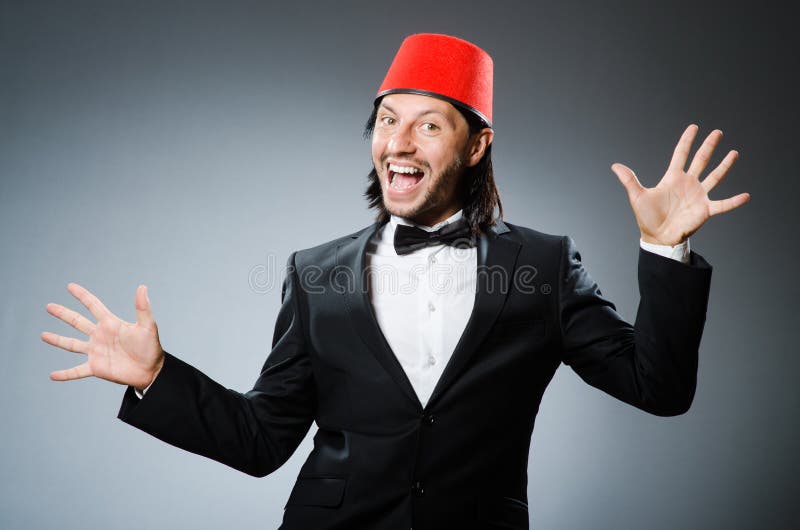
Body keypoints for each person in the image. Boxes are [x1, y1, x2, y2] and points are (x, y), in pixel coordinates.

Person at [41, 34, 749, 529]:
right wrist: (157, 376)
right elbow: (261, 440)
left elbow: (658, 387)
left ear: (476, 147)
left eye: (428, 125)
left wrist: (664, 248)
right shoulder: (314, 273)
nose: (398, 143)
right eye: (387, 121)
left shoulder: (543, 267)